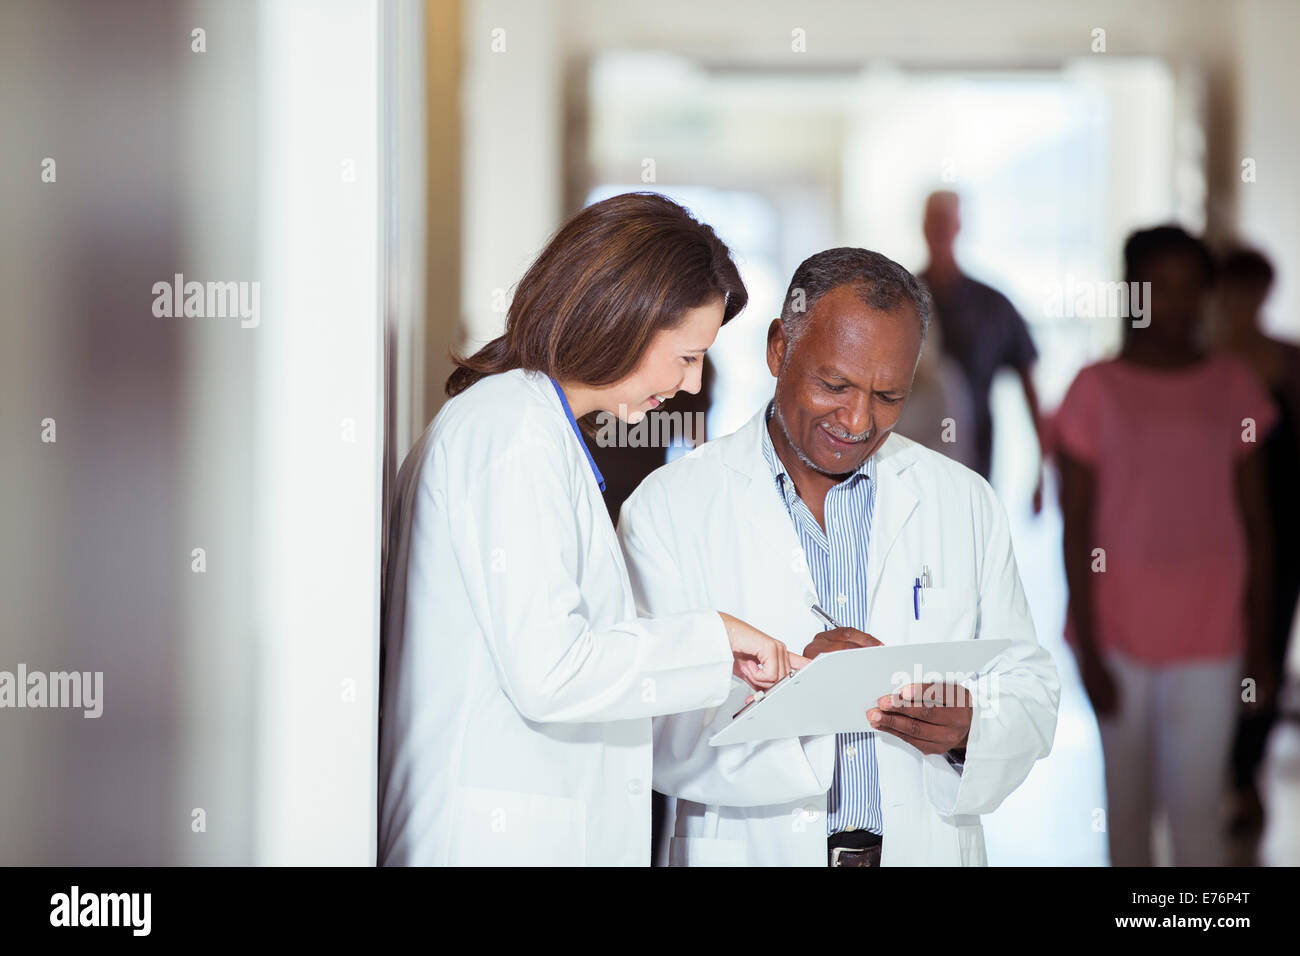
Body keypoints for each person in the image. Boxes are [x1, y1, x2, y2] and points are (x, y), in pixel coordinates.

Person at [377, 192, 802, 866]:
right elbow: (552, 670)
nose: (693, 387)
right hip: (488, 839)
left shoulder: (533, 427)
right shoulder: (511, 433)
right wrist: (713, 636)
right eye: (687, 357)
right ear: (625, 320)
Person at [618, 247, 1060, 866]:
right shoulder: (669, 509)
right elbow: (649, 728)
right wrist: (799, 704)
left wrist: (971, 730)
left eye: (888, 395)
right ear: (779, 349)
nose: (857, 420)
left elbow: (1031, 687)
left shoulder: (963, 501)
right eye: (835, 385)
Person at [1055, 225, 1277, 867]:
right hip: (1120, 635)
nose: (1175, 303)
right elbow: (1076, 528)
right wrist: (1090, 646)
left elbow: (1259, 524)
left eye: (1190, 288)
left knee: (1198, 816)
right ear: (1133, 292)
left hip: (1213, 633)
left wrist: (1262, 641)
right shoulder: (1094, 388)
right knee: (1125, 815)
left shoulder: (1233, 387)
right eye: (1161, 287)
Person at [1213, 247, 1300, 835]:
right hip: (1215, 528)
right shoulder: (1205, 364)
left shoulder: (1289, 361)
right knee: (1217, 643)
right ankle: (1212, 767)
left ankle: (1246, 772)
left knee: (1265, 643)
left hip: (1283, 522)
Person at [918, 191, 1045, 509]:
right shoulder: (900, 300)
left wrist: (1040, 467)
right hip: (912, 464)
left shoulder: (991, 305)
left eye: (946, 222)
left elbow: (1029, 384)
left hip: (976, 465)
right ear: (922, 226)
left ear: (959, 226)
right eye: (934, 222)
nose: (940, 231)